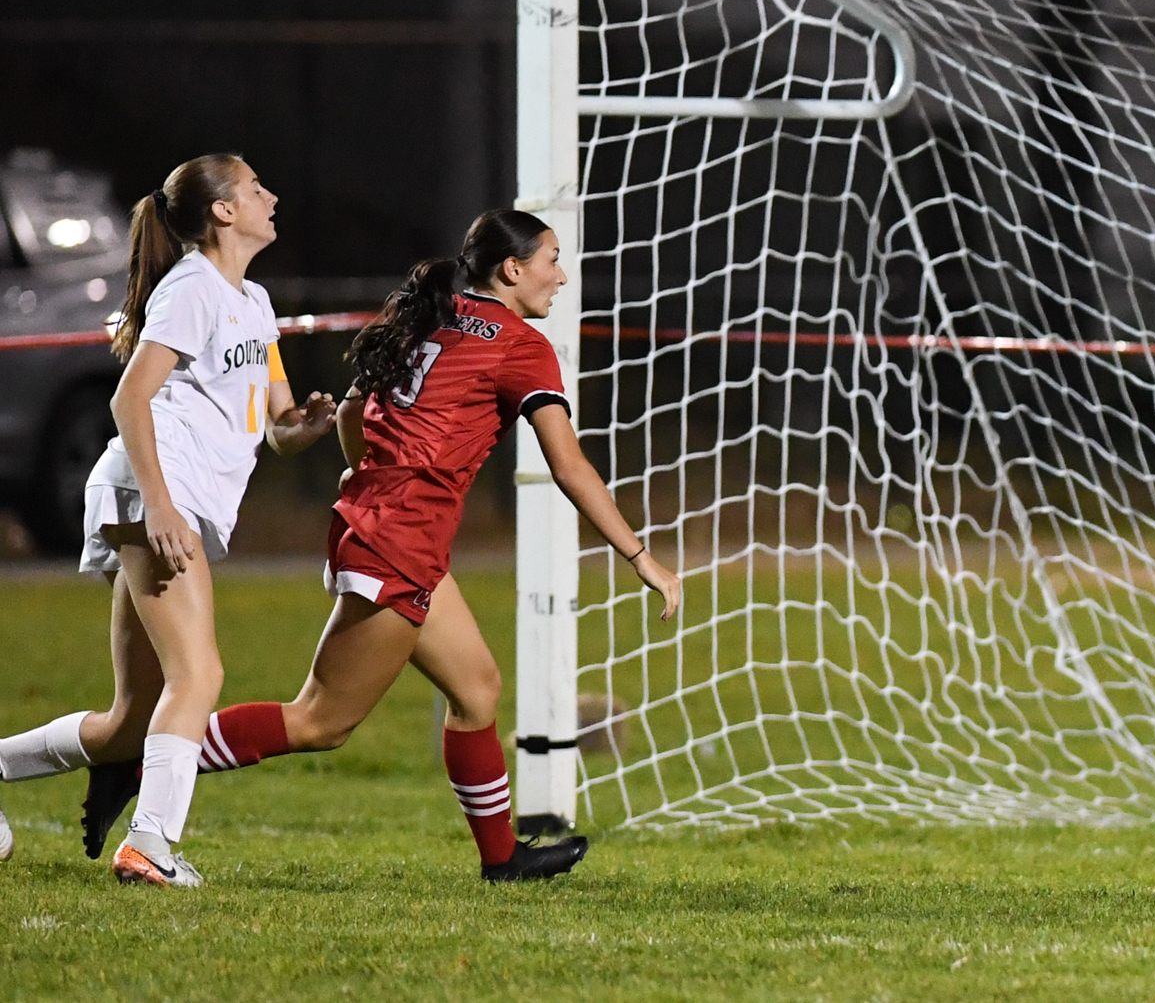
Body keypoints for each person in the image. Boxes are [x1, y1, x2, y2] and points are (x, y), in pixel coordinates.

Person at [192, 208, 680, 882]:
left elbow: (354, 408)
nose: (561, 275)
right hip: (398, 541)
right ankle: (148, 762)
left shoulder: (433, 310)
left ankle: (502, 858)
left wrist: (365, 470)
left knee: (477, 689)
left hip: (380, 527)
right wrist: (640, 556)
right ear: (513, 269)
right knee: (319, 721)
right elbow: (570, 467)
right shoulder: (519, 343)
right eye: (551, 260)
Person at [0, 155, 336, 885]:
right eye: (255, 189)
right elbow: (129, 399)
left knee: (130, 718)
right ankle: (151, 843)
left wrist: (303, 426)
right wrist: (161, 505)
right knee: (200, 672)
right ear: (221, 211)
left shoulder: (252, 297)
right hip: (154, 493)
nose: (271, 197)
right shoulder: (191, 286)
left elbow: (275, 424)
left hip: (162, 498)